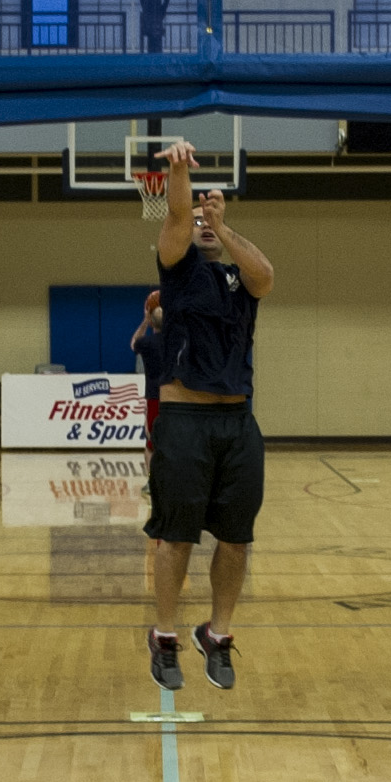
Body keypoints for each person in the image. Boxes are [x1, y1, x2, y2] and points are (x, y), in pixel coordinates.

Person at [145, 138, 273, 691]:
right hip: (184, 421)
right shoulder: (177, 270)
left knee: (236, 538)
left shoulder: (241, 277)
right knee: (176, 538)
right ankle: (165, 636)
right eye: (197, 216)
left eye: (211, 214)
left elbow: (266, 274)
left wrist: (223, 228)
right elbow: (175, 214)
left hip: (237, 423)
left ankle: (217, 634)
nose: (201, 221)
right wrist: (179, 172)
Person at [131, 289, 164, 448]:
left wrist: (145, 320)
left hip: (153, 395)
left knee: (151, 441)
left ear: (151, 321)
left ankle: (153, 473)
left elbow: (134, 343)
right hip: (173, 396)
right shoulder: (176, 342)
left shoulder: (146, 343)